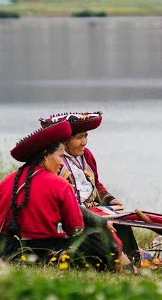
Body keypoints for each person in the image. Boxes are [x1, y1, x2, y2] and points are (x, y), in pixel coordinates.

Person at [0, 120, 120, 270]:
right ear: (45, 156)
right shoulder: (60, 184)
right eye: (59, 156)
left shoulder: (5, 182)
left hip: (9, 252)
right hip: (46, 253)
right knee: (98, 238)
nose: (62, 163)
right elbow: (75, 228)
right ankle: (126, 269)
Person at [41, 110, 140, 263]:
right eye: (79, 137)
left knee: (122, 222)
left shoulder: (86, 156)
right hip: (72, 215)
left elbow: (95, 184)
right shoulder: (56, 161)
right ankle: (117, 260)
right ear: (65, 140)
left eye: (86, 136)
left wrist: (109, 199)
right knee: (105, 227)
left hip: (94, 209)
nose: (84, 142)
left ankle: (134, 258)